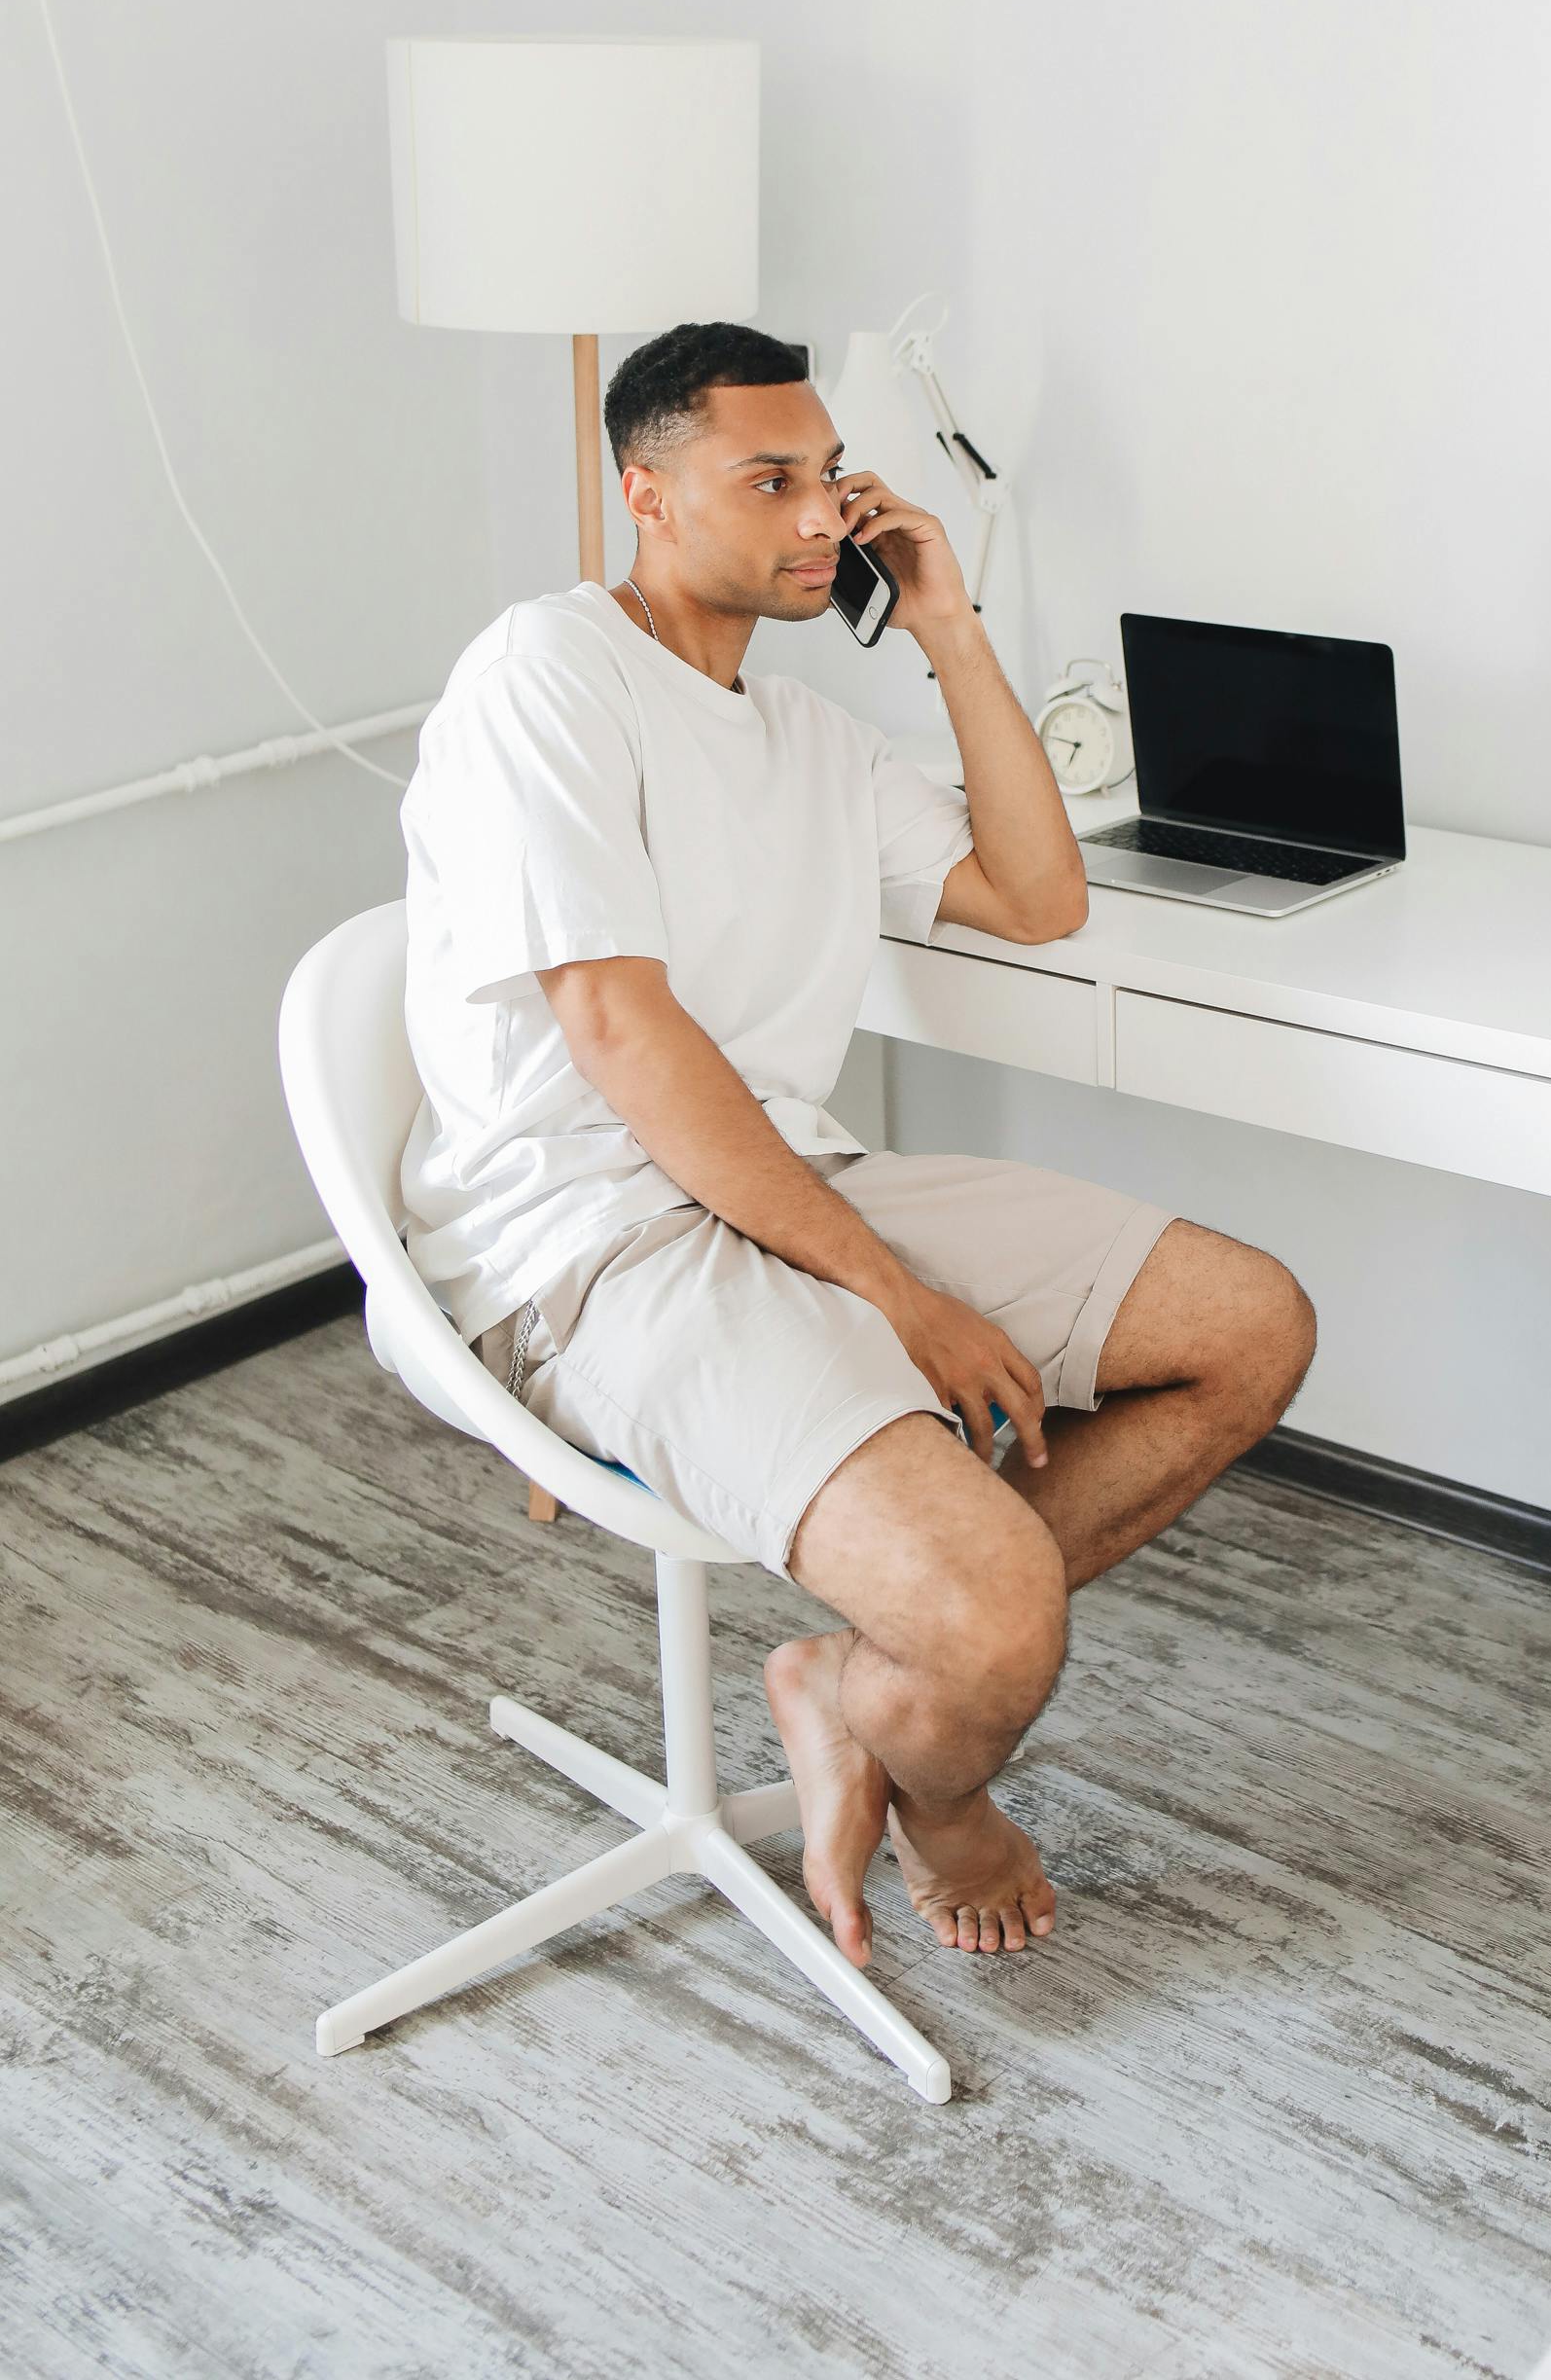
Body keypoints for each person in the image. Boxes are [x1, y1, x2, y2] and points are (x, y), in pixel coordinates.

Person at [398, 322, 1317, 1971]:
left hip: (787, 1182)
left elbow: (1041, 899)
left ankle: (861, 1685)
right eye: (771, 481)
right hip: (593, 1238)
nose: (821, 516)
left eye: (829, 477)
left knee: (1251, 1326)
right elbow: (623, 1034)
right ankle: (946, 1796)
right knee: (992, 1617)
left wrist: (951, 626)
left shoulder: (811, 737)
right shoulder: (546, 670)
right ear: (646, 495)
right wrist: (900, 1299)